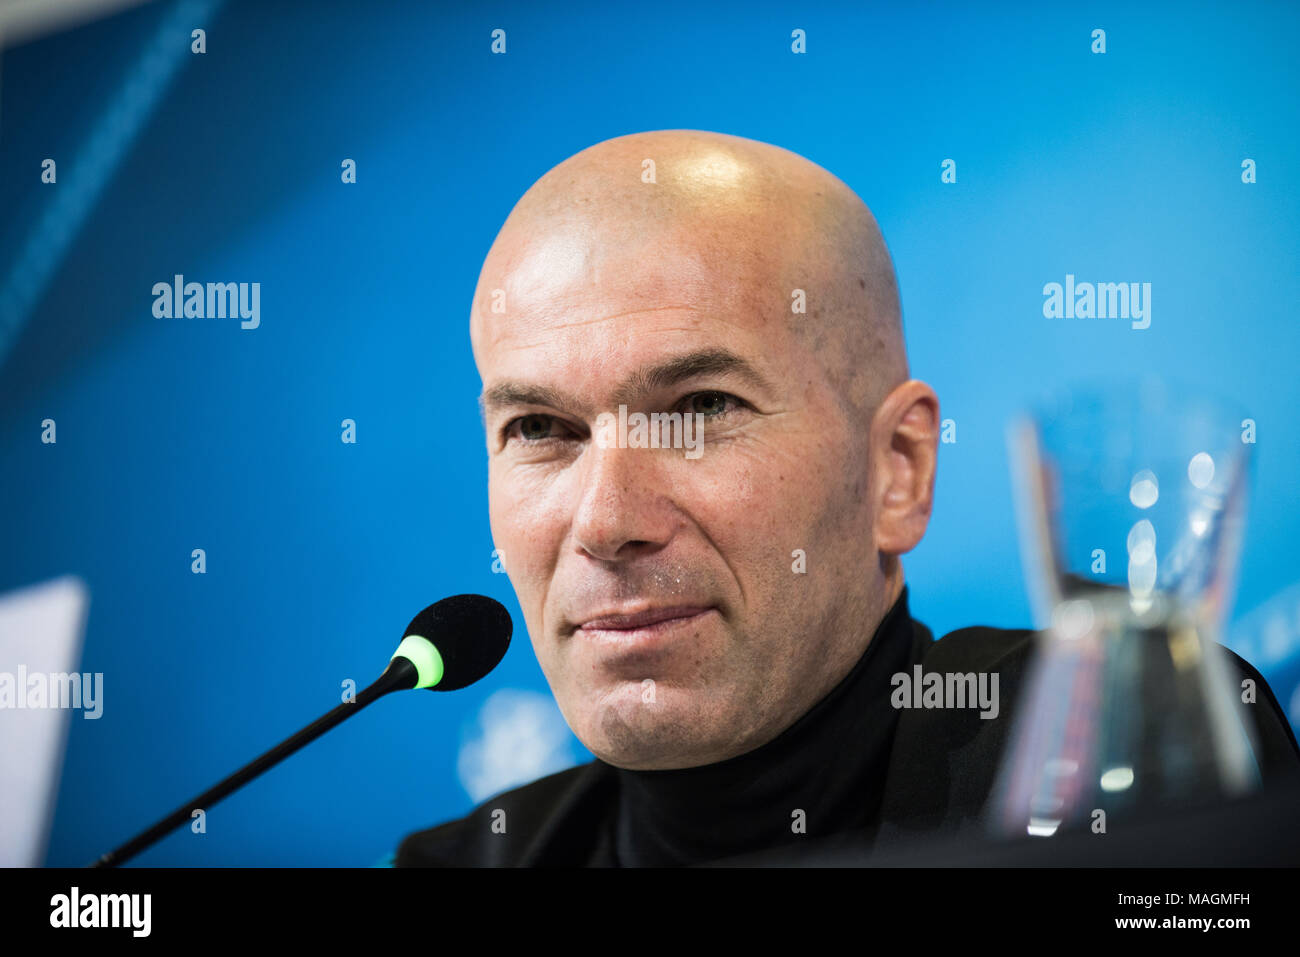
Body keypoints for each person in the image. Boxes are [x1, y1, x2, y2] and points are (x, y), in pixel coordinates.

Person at [395, 130, 1300, 866]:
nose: (605, 521)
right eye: (541, 428)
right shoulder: (463, 863)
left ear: (898, 469)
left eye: (701, 409)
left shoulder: (1118, 759)